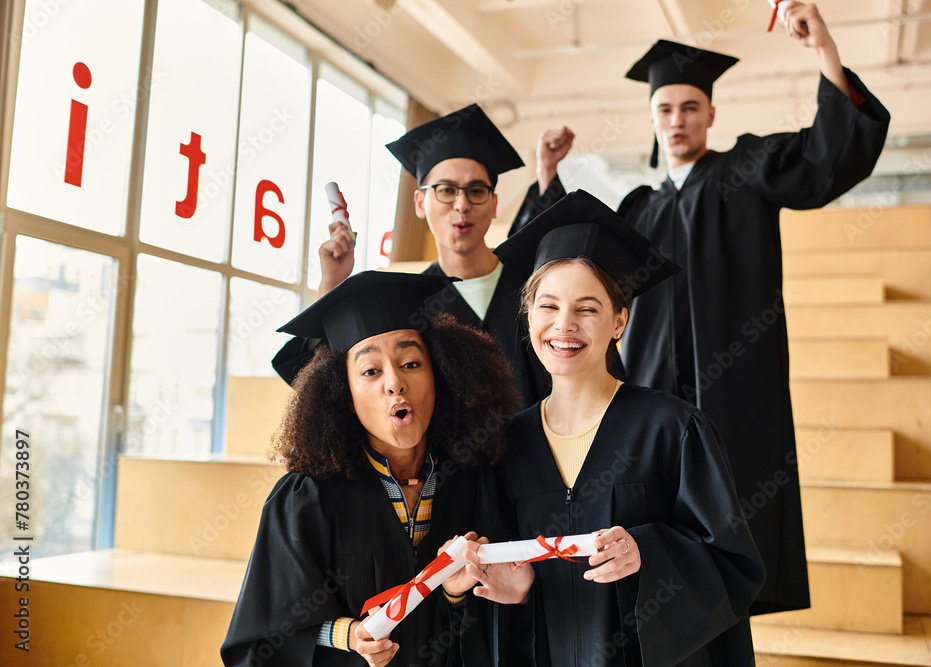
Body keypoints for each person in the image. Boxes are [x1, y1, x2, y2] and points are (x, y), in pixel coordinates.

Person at [508, 2, 891, 615]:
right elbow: (563, 255)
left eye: (690, 107)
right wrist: (545, 173)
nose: (677, 120)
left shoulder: (746, 172)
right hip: (654, 397)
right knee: (656, 539)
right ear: (652, 117)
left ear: (711, 113)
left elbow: (825, 157)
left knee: (733, 540)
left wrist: (824, 51)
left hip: (741, 395)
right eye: (665, 109)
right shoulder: (637, 211)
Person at [464, 190, 766, 666]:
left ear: (619, 320)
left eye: (587, 308)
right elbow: (504, 601)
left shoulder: (673, 430)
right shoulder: (508, 447)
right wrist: (516, 593)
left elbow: (733, 565)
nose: (564, 326)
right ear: (528, 314)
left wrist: (648, 553)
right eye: (548, 306)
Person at [222, 271, 518, 666]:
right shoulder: (307, 498)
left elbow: (500, 631)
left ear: (441, 376)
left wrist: (455, 592)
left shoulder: (473, 479)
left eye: (411, 363)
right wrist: (349, 635)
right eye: (371, 371)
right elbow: (261, 640)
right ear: (344, 397)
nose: (395, 383)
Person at [273, 103, 549, 407]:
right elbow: (328, 384)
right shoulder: (406, 302)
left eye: (476, 190)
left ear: (493, 203)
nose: (461, 204)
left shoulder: (535, 289)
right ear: (420, 202)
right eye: (445, 190)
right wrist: (331, 289)